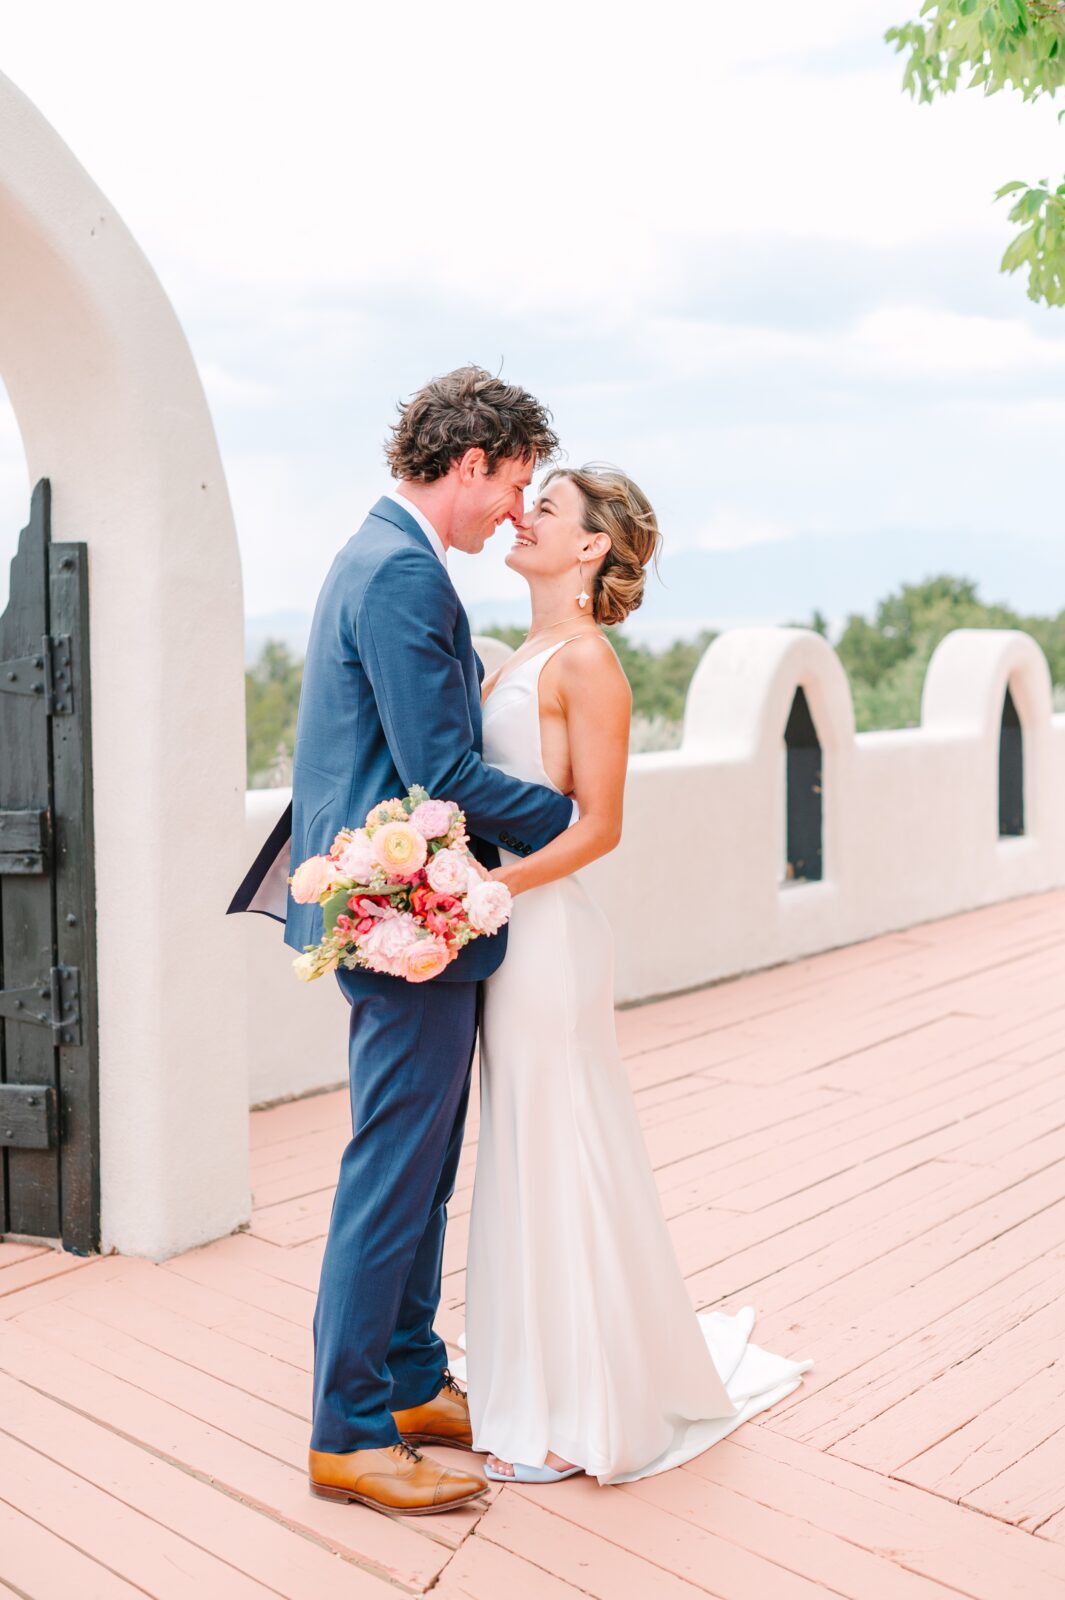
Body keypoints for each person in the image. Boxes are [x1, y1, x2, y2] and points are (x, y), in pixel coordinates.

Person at [229, 366, 578, 1516]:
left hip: (406, 908)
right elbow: (442, 772)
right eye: (514, 484)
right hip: (398, 917)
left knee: (423, 1168)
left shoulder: (393, 560)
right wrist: (578, 817)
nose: (516, 513)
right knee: (391, 1170)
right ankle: (347, 1429)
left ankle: (416, 1380)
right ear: (471, 461)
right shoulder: (395, 573)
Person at [460, 465, 813, 1485]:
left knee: (559, 1137)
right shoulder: (525, 650)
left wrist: (497, 889)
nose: (524, 514)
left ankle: (586, 1400)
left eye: (549, 507)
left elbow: (601, 825)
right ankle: (537, 1371)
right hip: (508, 924)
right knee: (525, 1141)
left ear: (588, 551)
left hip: (545, 934)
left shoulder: (588, 663)